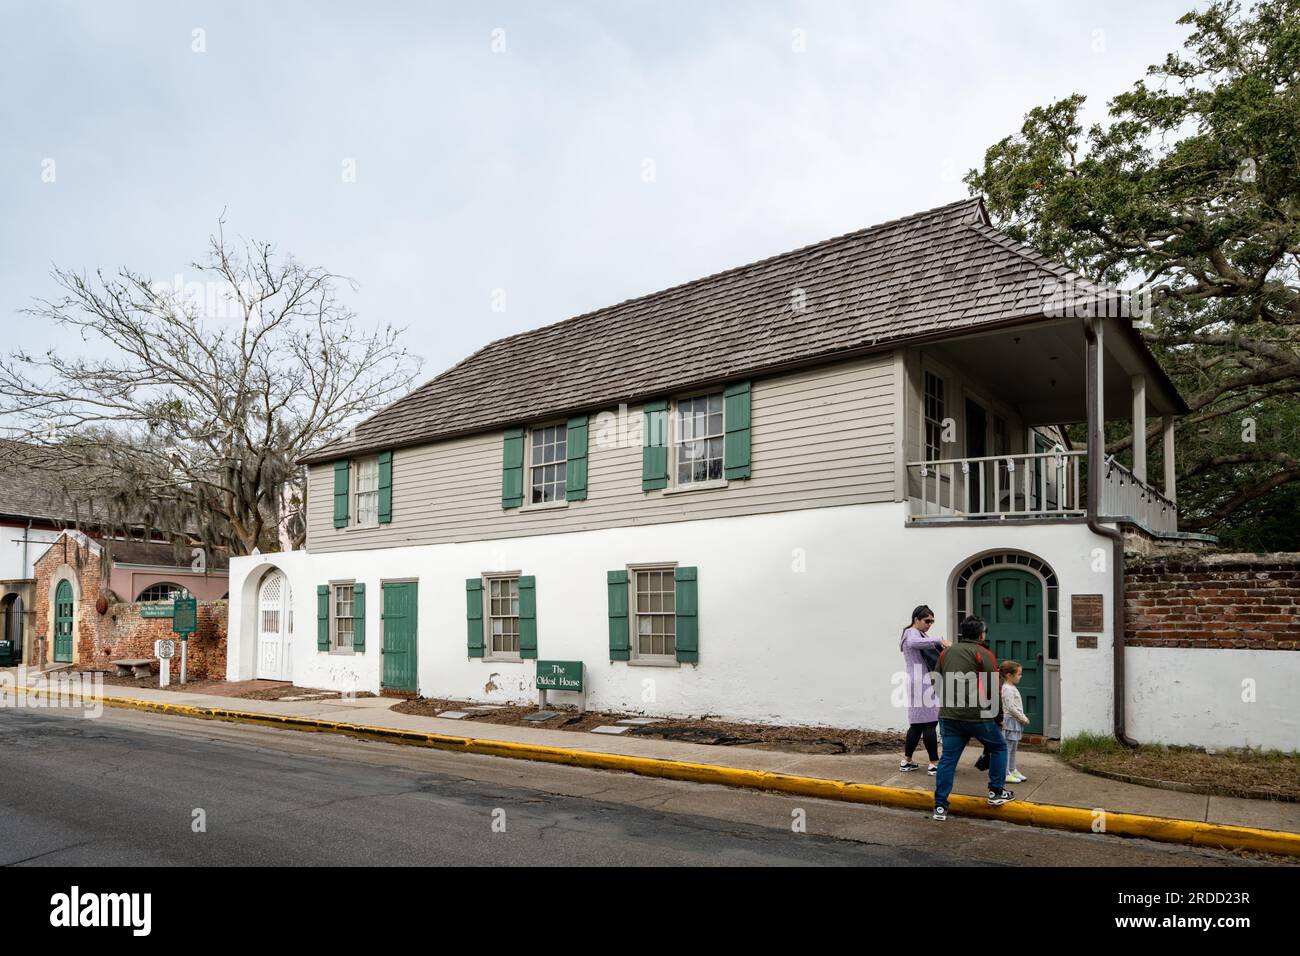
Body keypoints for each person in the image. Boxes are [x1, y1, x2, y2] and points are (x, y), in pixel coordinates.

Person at [931, 615, 1015, 821]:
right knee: (999, 747)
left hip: (949, 715)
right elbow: (993, 688)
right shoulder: (983, 653)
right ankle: (996, 792)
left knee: (948, 759)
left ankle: (940, 806)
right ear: (981, 634)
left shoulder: (946, 653)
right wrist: (998, 717)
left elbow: (936, 683)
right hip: (978, 715)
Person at [898, 604, 950, 774]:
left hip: (916, 680)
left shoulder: (915, 633)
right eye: (927, 621)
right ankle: (934, 763)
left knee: (917, 725)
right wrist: (938, 640)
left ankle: (906, 761)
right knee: (929, 724)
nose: (929, 624)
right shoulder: (912, 633)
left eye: (932, 621)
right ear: (916, 619)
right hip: (922, 682)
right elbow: (914, 642)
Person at [1000, 660, 1029, 783]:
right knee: (1007, 748)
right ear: (1009, 675)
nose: (1020, 676)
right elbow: (1011, 707)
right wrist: (1022, 718)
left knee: (1013, 748)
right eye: (1019, 674)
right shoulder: (1007, 689)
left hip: (1015, 721)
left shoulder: (1012, 687)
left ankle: (1012, 769)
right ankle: (1005, 773)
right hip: (1010, 721)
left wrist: (1021, 717)